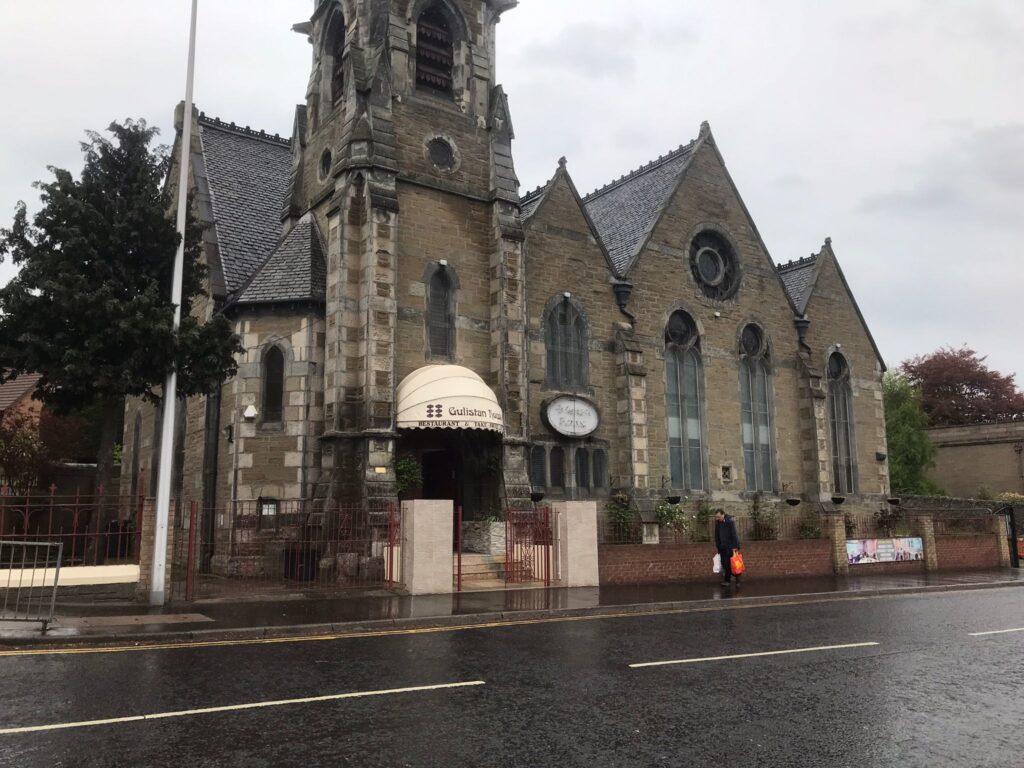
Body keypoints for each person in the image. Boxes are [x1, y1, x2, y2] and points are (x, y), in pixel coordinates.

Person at [714, 509, 741, 586]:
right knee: (725, 565)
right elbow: (716, 536)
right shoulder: (718, 524)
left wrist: (735, 547)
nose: (717, 519)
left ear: (723, 515)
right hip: (722, 548)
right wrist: (718, 545)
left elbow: (734, 535)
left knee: (735, 564)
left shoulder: (730, 522)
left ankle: (736, 580)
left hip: (731, 547)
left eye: (718, 517)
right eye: (716, 517)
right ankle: (727, 580)